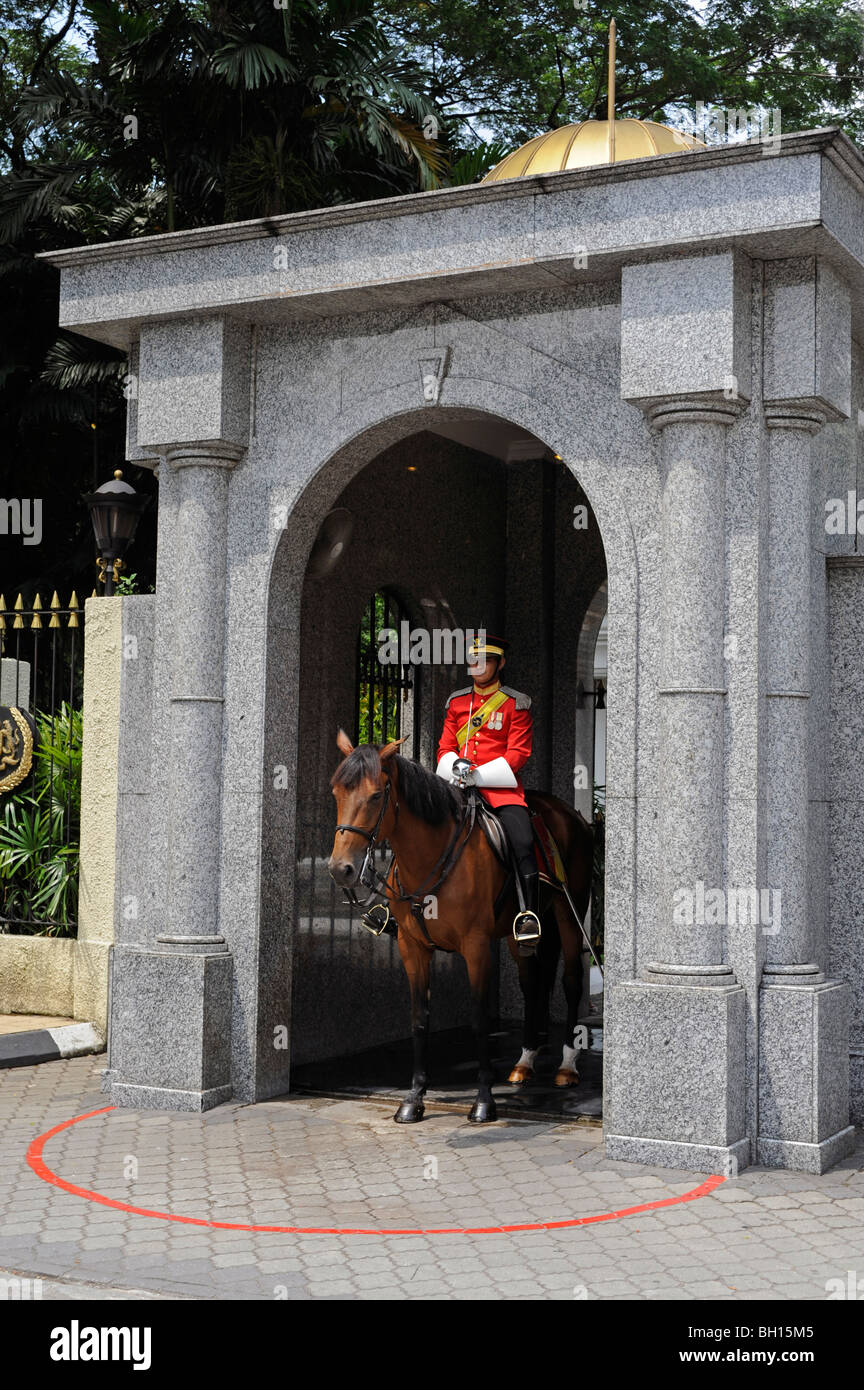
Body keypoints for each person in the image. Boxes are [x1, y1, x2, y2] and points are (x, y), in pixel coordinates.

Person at [436, 633, 540, 942]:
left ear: (500, 663)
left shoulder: (514, 703)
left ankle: (528, 914)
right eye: (473, 661)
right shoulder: (456, 703)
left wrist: (478, 775)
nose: (478, 666)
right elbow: (444, 747)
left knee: (522, 842)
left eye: (486, 661)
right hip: (455, 787)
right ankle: (397, 907)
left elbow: (518, 753)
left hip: (500, 790)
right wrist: (456, 766)